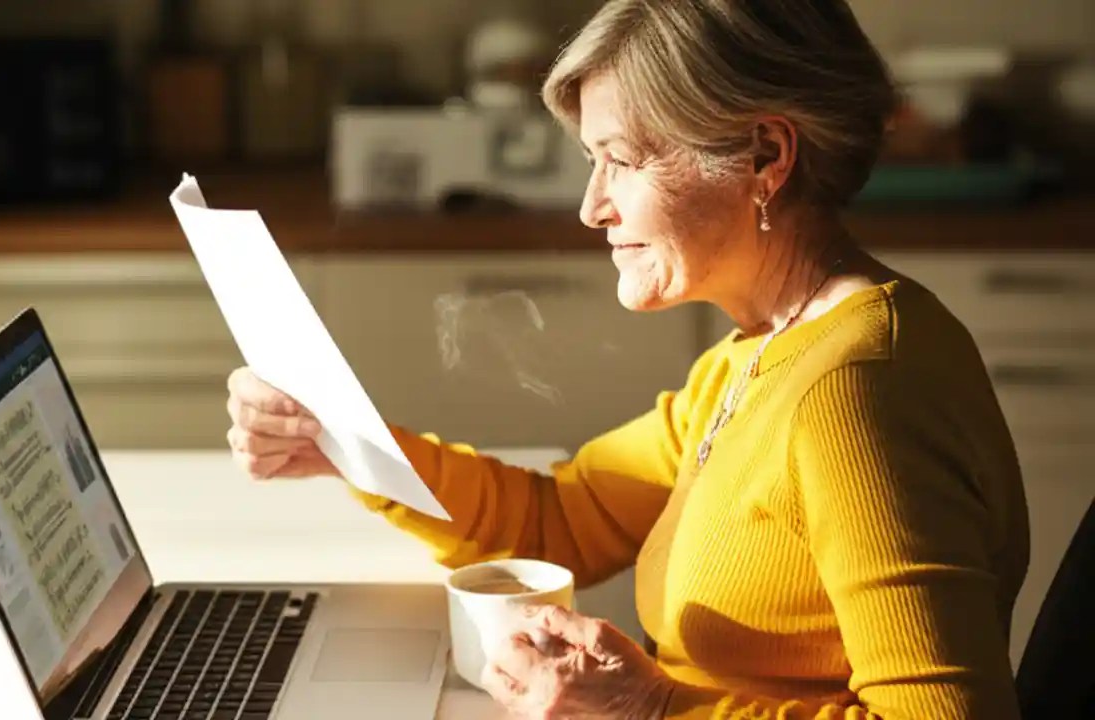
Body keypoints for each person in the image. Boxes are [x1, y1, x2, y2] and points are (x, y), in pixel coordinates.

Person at [225, 1, 1029, 717]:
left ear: (763, 156)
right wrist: (345, 443)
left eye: (623, 159)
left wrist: (648, 706)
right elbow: (561, 520)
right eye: (591, 161)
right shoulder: (759, 355)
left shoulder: (857, 393)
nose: (592, 207)